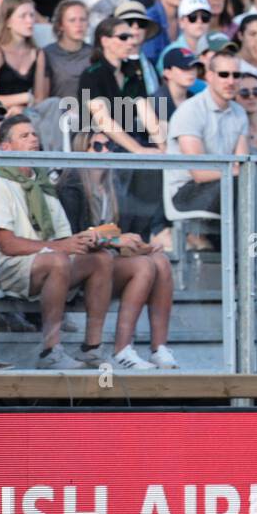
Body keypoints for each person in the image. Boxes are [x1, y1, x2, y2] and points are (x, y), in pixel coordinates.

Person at [0, 113, 115, 370]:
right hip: (8, 266)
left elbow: (64, 238)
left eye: (34, 134)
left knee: (101, 259)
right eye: (24, 136)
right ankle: (50, 351)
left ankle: (91, 347)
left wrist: (89, 239)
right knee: (57, 260)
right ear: (6, 147)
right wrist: (61, 247)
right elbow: (7, 245)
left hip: (46, 260)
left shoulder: (43, 183)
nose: (33, 139)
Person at [57, 128, 178, 369]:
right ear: (83, 151)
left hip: (106, 258)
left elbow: (118, 232)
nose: (106, 152)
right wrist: (116, 240)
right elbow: (74, 238)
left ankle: (159, 348)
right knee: (143, 267)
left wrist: (139, 244)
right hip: (79, 264)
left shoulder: (112, 185)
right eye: (98, 146)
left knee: (160, 261)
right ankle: (123, 348)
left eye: (110, 146)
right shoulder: (70, 185)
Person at [166, 49, 248, 214]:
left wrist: (239, 171)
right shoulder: (190, 110)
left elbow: (243, 163)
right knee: (243, 187)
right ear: (210, 76)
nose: (231, 81)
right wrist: (237, 171)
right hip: (186, 192)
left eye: (236, 75)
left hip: (225, 183)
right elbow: (199, 173)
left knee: (254, 187)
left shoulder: (239, 112)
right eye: (224, 75)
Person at [0, 0, 48, 112]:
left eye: (31, 15)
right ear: (8, 22)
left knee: (54, 104)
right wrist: (24, 98)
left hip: (27, 114)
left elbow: (40, 99)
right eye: (23, 16)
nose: (30, 21)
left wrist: (22, 107)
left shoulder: (37, 53)